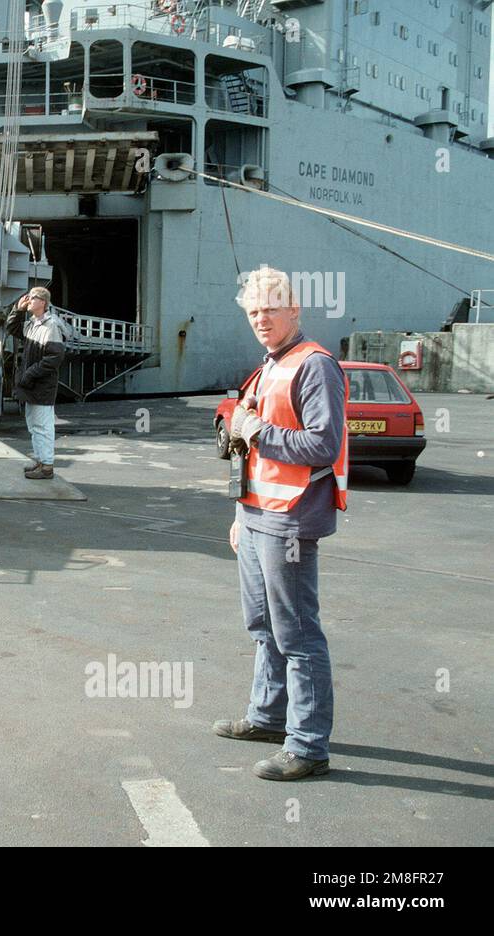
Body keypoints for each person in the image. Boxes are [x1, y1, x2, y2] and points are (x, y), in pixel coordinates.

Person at [215, 265, 348, 781]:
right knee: (262, 626)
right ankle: (269, 717)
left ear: (295, 310)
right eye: (253, 312)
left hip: (289, 518)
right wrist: (238, 511)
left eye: (271, 308)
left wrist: (257, 428)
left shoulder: (315, 366)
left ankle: (309, 746)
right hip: (256, 515)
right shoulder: (271, 365)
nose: (261, 319)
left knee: (297, 634)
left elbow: (322, 444)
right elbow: (246, 450)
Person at [5, 286, 66, 480]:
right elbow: (11, 328)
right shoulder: (32, 324)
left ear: (43, 303)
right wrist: (18, 310)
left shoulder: (51, 325)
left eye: (32, 298)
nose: (29, 300)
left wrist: (29, 374)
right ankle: (40, 460)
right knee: (34, 425)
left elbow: (54, 358)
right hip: (32, 384)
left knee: (43, 426)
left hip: (42, 385)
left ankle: (46, 466)